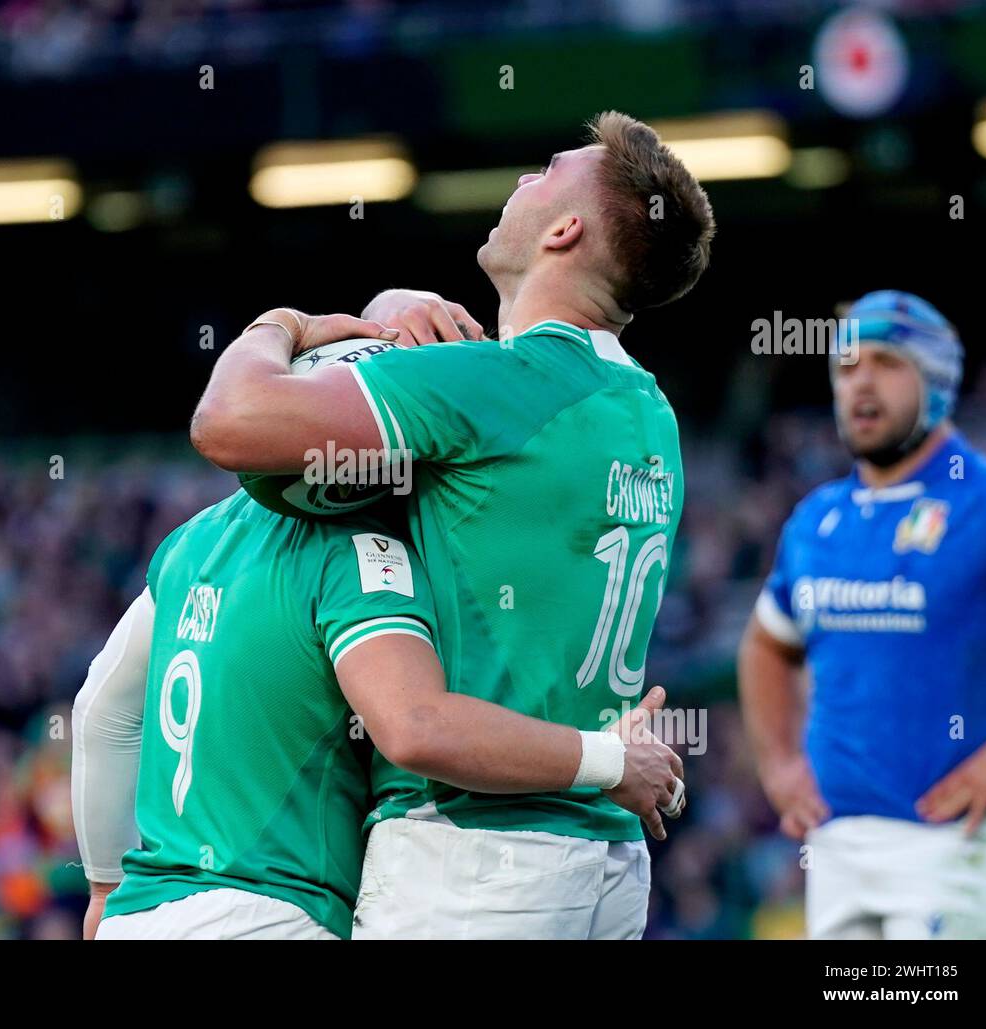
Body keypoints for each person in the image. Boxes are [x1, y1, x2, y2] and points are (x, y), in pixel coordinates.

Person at [187, 110, 715, 938]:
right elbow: (497, 452)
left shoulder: (496, 388)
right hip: (604, 854)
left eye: (543, 170)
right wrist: (395, 308)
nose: (519, 181)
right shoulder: (647, 411)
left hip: (475, 856)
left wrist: (282, 326)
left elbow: (229, 423)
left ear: (566, 228)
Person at [72, 321, 683, 941]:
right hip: (275, 913)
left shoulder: (190, 545)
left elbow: (99, 711)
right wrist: (608, 758)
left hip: (143, 915)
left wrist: (101, 884)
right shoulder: (362, 555)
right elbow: (417, 724)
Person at [739, 290, 986, 940]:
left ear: (937, 378)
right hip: (837, 848)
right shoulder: (817, 519)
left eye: (886, 362)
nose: (860, 382)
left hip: (962, 845)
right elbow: (766, 646)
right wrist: (778, 766)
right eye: (846, 366)